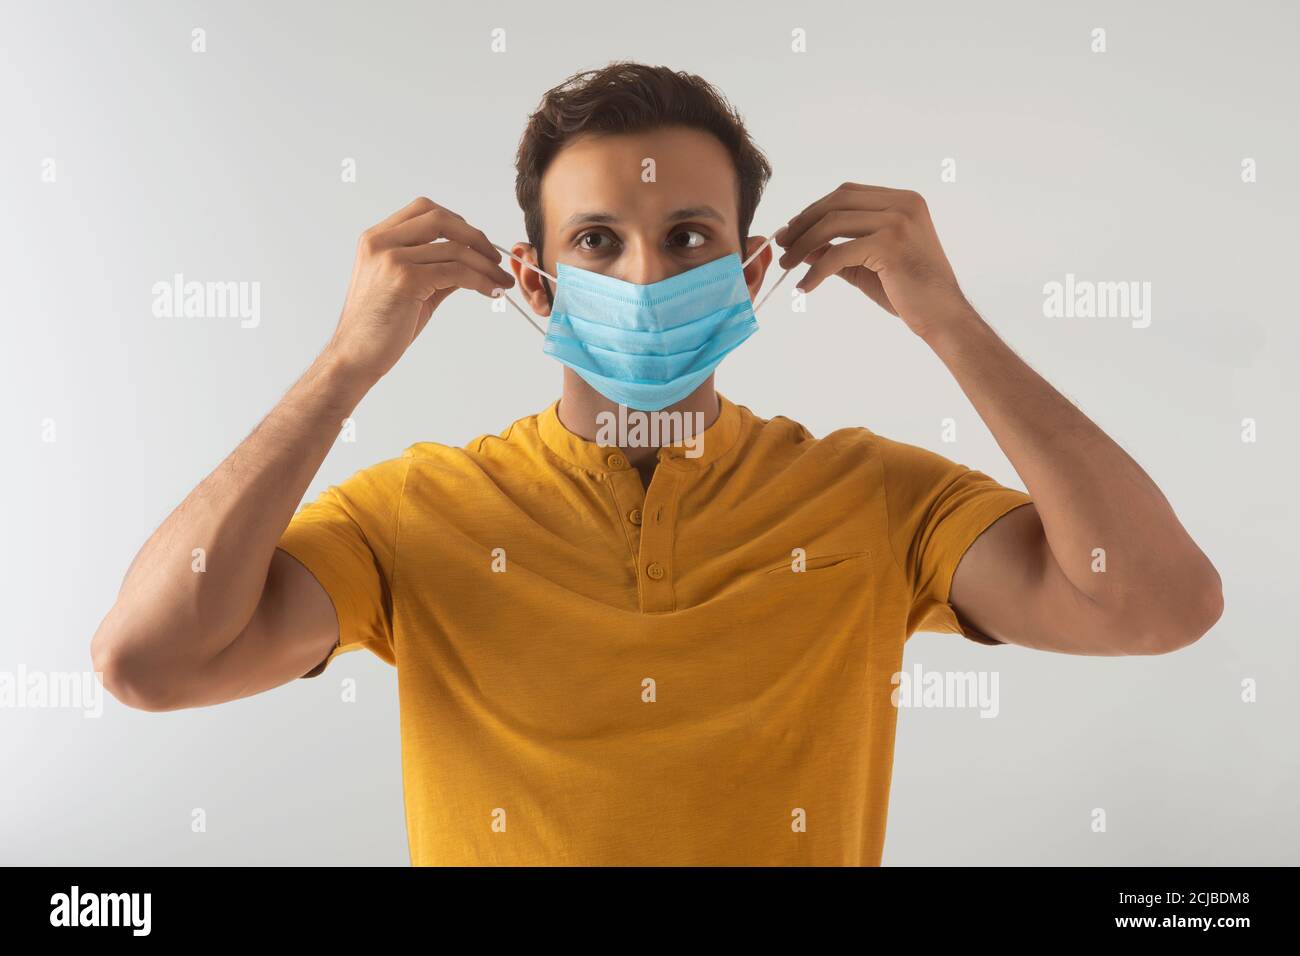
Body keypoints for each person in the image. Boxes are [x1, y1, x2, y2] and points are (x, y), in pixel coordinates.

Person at [90, 61, 1223, 866]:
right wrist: (343, 365)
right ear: (533, 281)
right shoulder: (417, 514)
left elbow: (1156, 605)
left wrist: (951, 324)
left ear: (749, 268)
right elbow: (148, 661)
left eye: (689, 237)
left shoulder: (878, 498)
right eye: (596, 241)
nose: (642, 277)